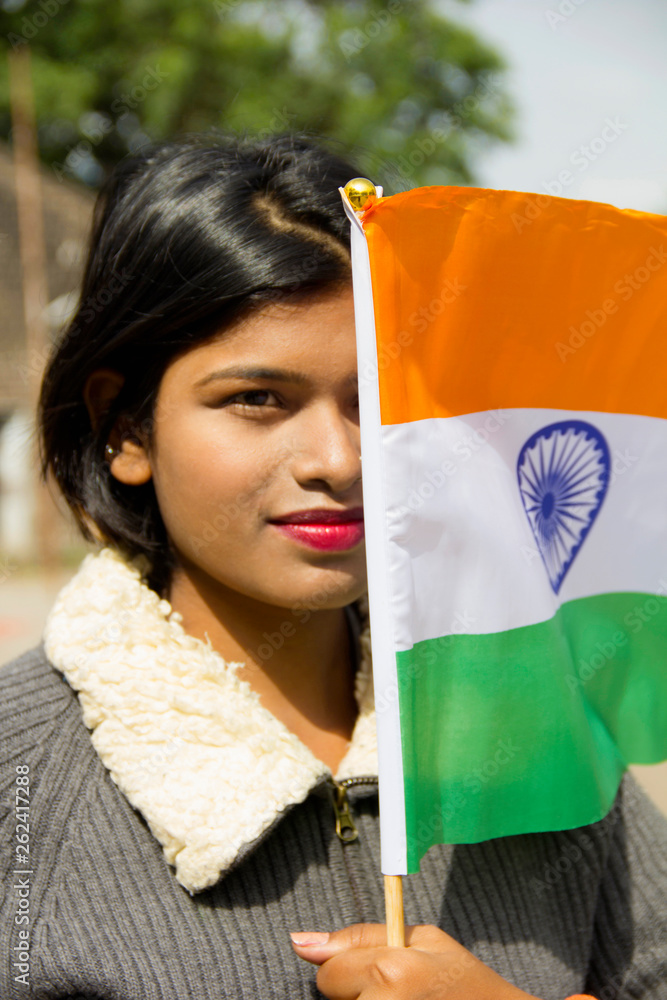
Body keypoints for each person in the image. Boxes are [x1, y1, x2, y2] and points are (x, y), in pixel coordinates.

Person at [1, 133, 666, 1000]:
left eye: (377, 400)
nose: (340, 460)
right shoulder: (22, 780)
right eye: (257, 400)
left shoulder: (543, 723)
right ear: (125, 426)